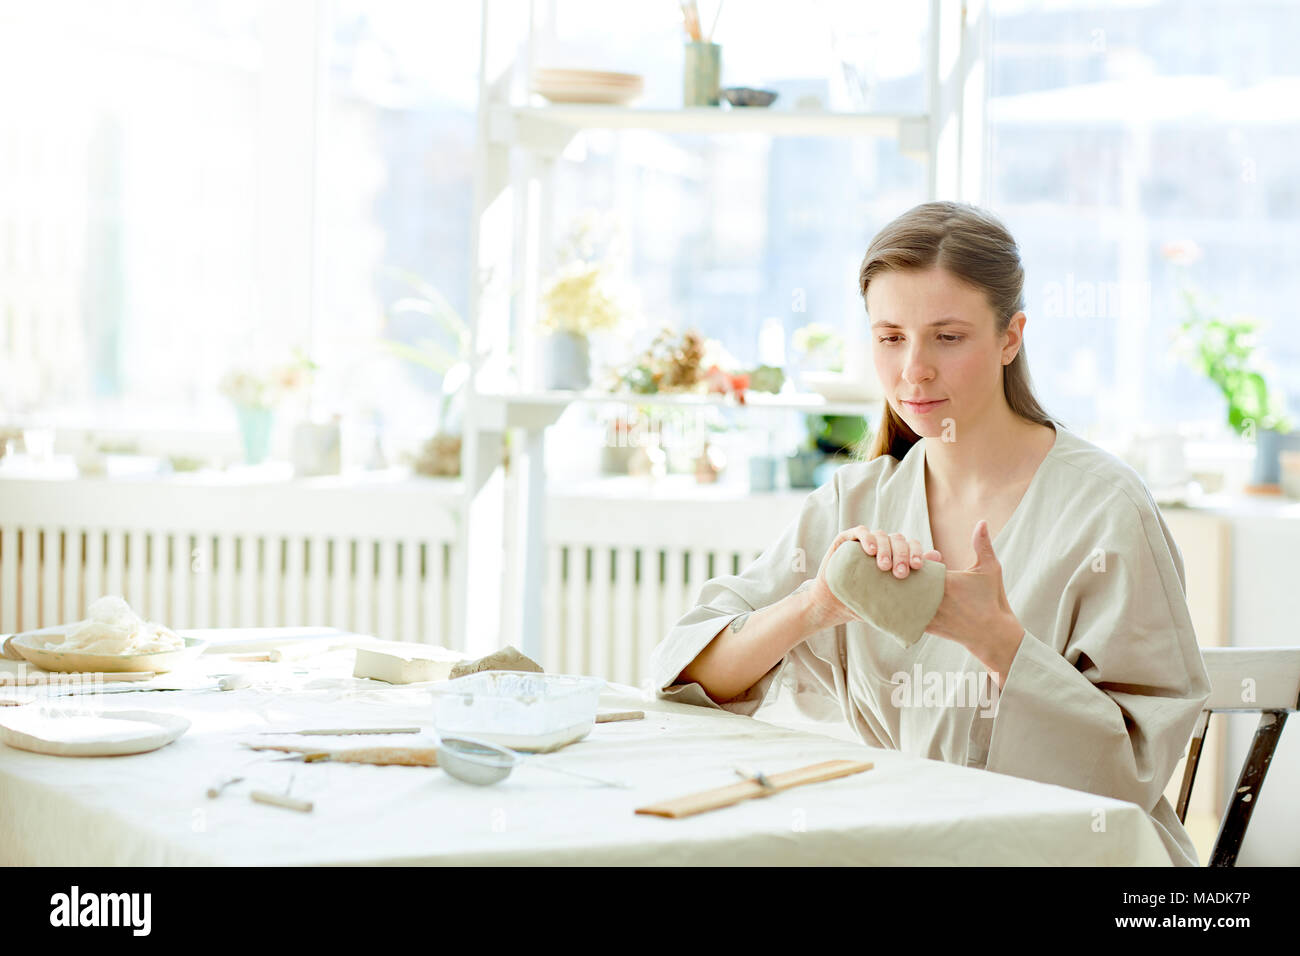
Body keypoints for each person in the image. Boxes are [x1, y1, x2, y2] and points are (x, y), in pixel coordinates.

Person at [650, 201, 1212, 866]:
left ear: (1011, 337)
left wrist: (998, 642)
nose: (913, 369)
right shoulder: (854, 500)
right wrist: (814, 606)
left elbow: (1136, 767)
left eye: (947, 337)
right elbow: (689, 671)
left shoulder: (1105, 508)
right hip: (912, 844)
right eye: (890, 337)